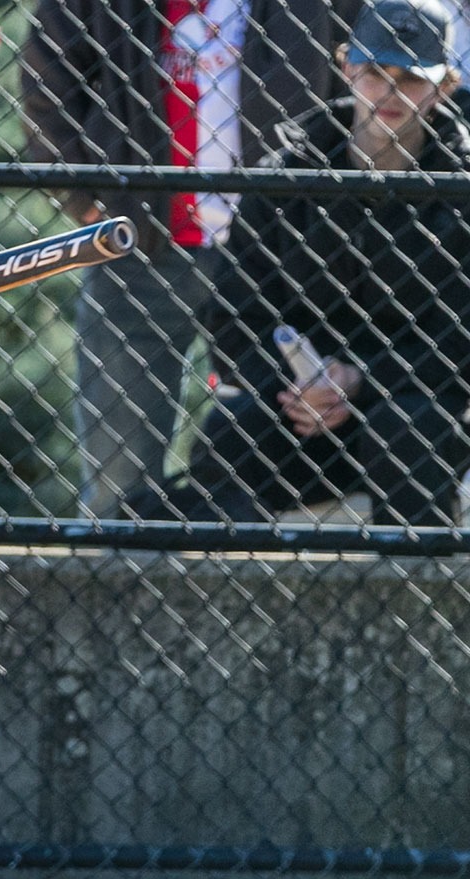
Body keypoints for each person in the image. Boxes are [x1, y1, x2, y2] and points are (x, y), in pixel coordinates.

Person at [22, 0, 334, 518]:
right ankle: (118, 556)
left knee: (264, 456)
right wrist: (86, 197)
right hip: (142, 245)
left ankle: (251, 562)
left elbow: (352, 81)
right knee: (118, 466)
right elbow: (46, 78)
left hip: (271, 254)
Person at [168, 0, 470, 527]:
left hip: (416, 409)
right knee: (232, 432)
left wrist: (362, 379)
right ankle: (222, 575)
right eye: (375, 71)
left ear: (445, 86)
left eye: (411, 78)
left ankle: (414, 578)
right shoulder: (287, 174)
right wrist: (297, 386)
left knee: (408, 428)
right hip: (300, 404)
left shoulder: (461, 188)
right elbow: (234, 317)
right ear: (345, 65)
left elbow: (460, 345)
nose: (390, 92)